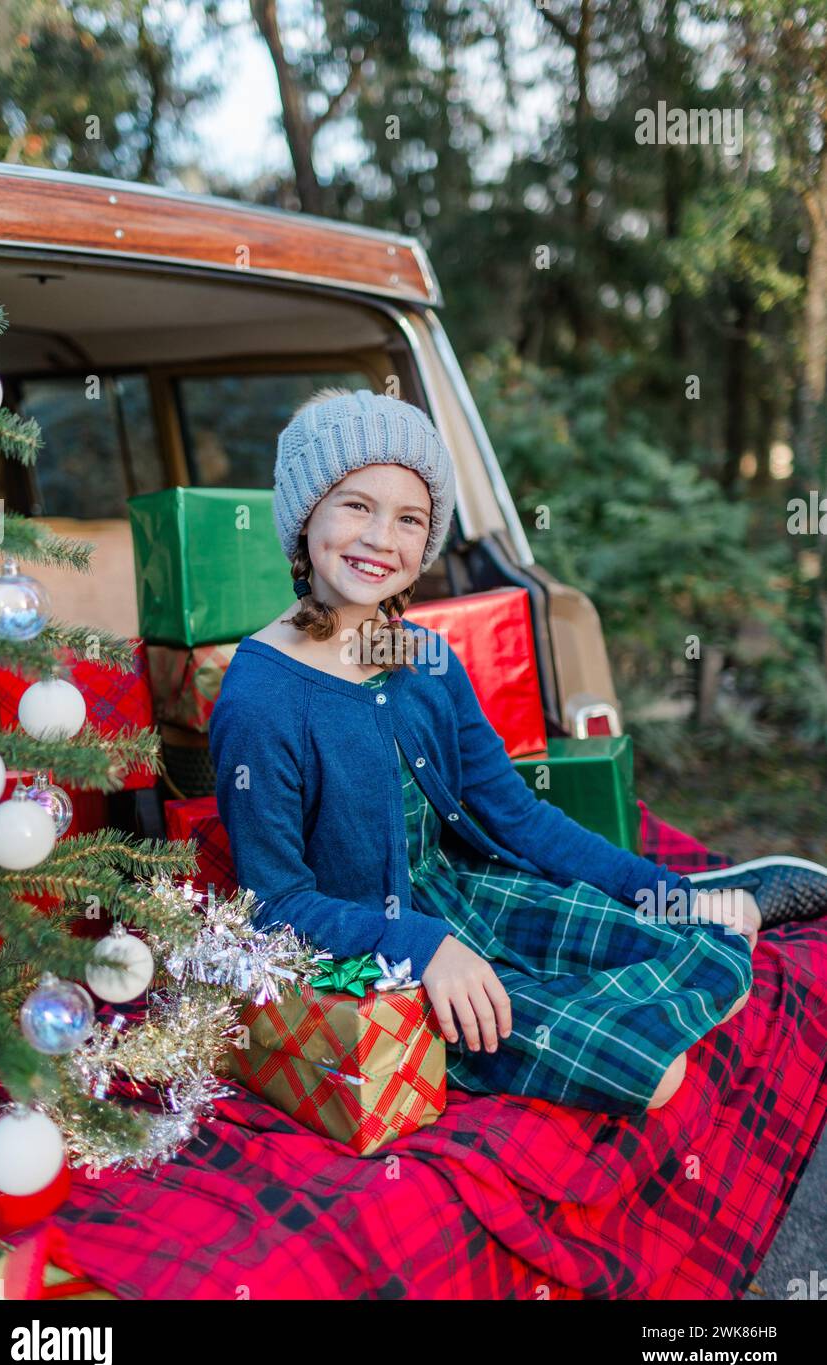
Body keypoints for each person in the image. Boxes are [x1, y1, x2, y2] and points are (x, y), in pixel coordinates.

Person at [209, 386, 827, 1117]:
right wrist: (421, 945)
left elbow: (517, 817)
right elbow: (277, 904)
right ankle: (647, 954)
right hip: (381, 950)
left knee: (709, 935)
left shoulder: (423, 659)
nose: (381, 538)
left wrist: (666, 892)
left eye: (409, 518)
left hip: (471, 893)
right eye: (355, 505)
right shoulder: (260, 697)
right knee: (653, 1076)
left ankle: (725, 896)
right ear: (304, 514)